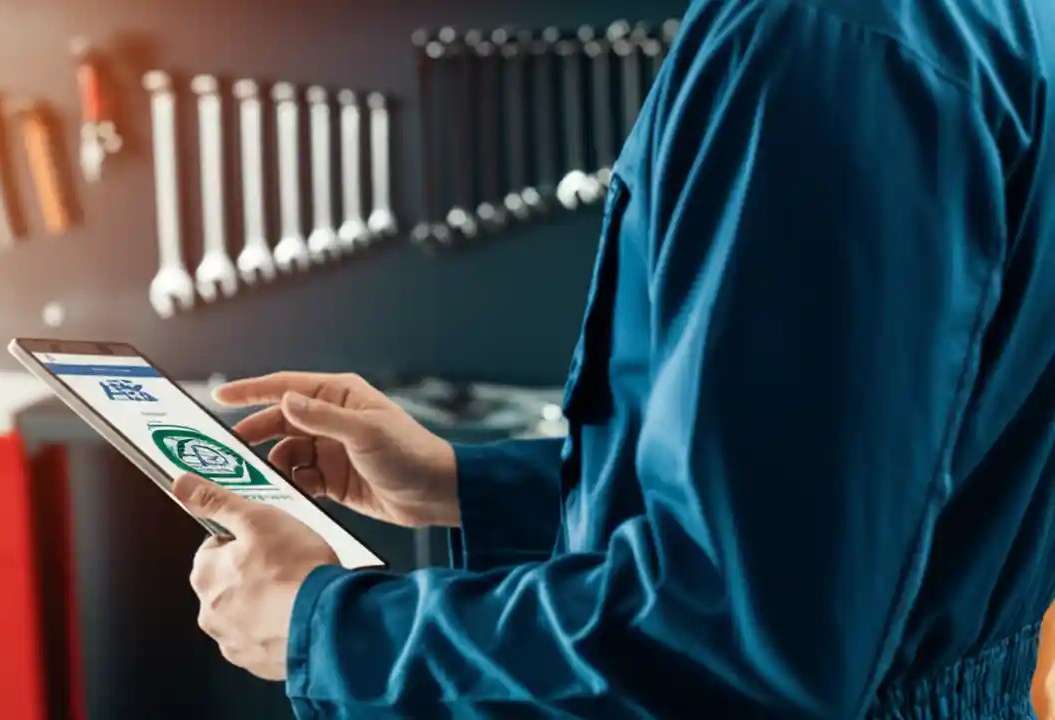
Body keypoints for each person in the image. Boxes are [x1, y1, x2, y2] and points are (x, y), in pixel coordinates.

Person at [170, 0, 1055, 716]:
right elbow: (843, 507)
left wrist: (322, 625)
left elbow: (729, 645)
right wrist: (464, 486)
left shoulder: (812, 45)